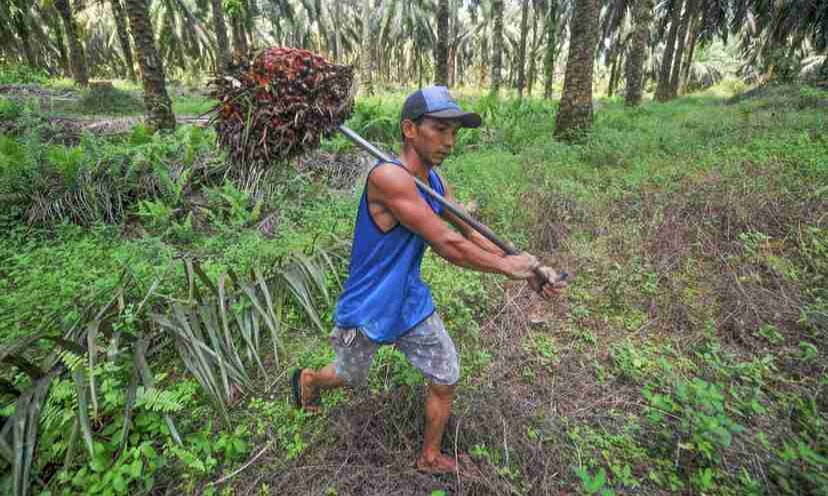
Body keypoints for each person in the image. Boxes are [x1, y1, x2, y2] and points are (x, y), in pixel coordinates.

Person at [291, 86, 566, 474]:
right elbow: (447, 244)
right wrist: (508, 268)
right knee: (347, 375)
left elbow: (469, 232)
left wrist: (529, 267)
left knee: (445, 373)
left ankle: (429, 457)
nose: (450, 142)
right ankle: (309, 380)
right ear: (409, 129)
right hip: (370, 302)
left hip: (408, 298)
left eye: (454, 132)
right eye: (440, 129)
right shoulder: (389, 179)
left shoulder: (434, 181)